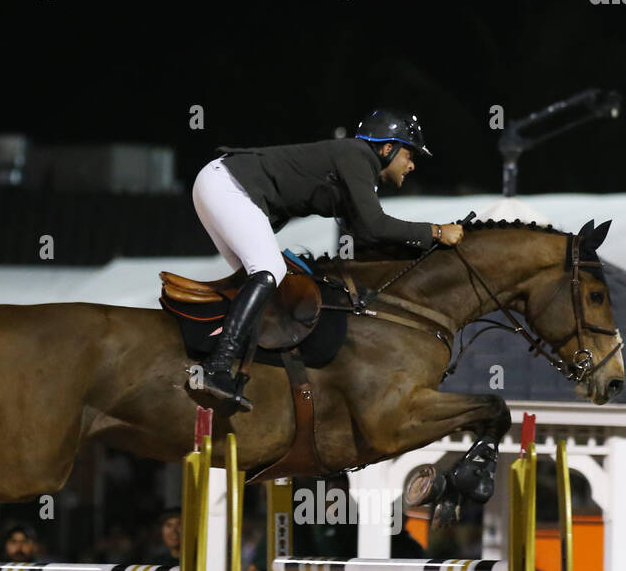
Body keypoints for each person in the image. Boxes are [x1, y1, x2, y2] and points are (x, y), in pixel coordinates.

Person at [189, 109, 467, 414]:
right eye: (410, 154)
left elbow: (365, 234)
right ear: (388, 148)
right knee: (270, 270)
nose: (412, 165)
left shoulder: (359, 166)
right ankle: (216, 366)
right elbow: (375, 225)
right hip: (229, 186)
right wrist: (435, 231)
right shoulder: (359, 156)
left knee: (262, 284)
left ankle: (205, 353)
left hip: (222, 185)